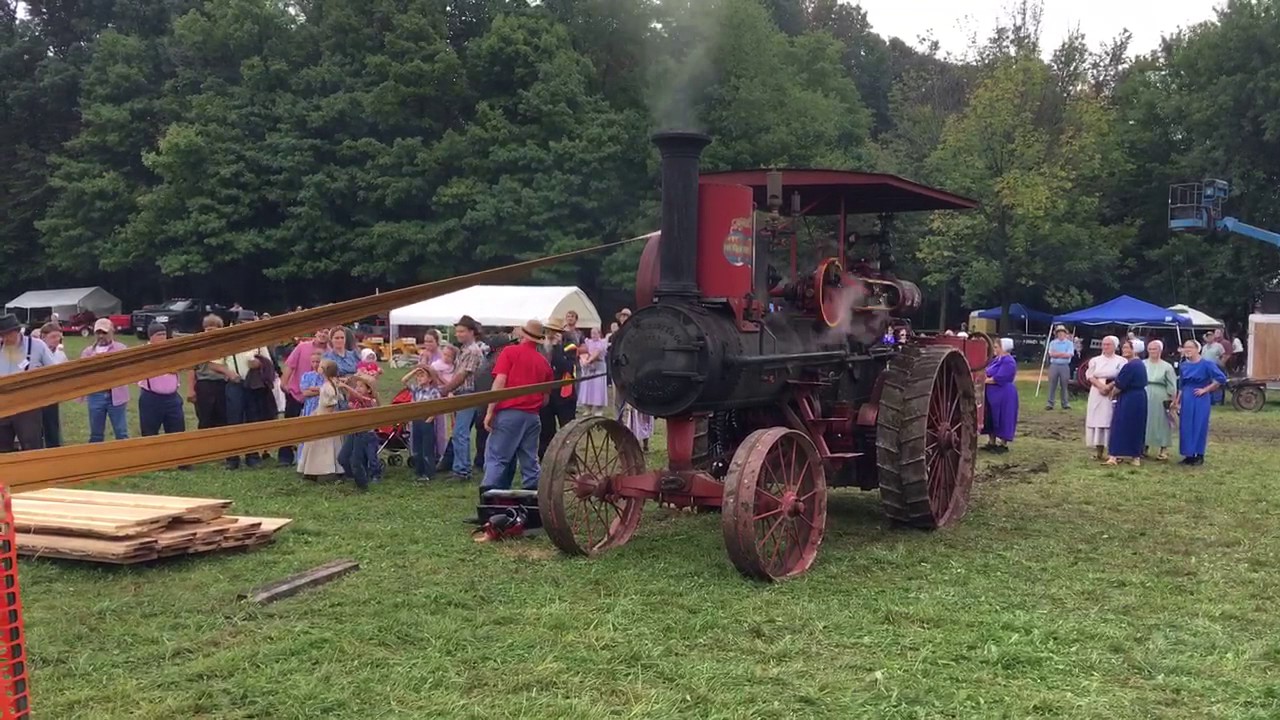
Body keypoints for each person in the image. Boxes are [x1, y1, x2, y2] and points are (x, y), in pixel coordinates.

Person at [481, 319, 553, 494]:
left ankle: (489, 500)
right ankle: (535, 500)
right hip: (532, 417)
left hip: (509, 413)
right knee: (530, 460)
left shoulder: (510, 352)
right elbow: (545, 400)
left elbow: (500, 382)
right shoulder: (544, 363)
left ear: (522, 334)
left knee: (497, 457)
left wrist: (490, 411)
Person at [0, 312, 55, 452]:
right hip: (2, 405)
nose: (5, 338)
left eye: (8, 334)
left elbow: (54, 370)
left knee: (31, 445)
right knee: (2, 448)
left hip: (28, 405)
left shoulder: (37, 346)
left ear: (18, 331)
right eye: (2, 335)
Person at [279, 327, 331, 465]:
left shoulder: (330, 352)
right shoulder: (302, 347)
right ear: (316, 332)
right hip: (296, 392)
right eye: (321, 331)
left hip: (317, 398)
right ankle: (285, 455)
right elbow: (290, 365)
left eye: (327, 332)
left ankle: (312, 457)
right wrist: (284, 383)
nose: (323, 335)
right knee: (289, 424)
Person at [441, 315, 483, 481]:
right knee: (459, 432)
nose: (458, 334)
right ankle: (458, 466)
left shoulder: (472, 351)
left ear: (471, 332)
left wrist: (445, 389)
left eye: (462, 331)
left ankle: (462, 471)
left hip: (469, 394)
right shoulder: (464, 350)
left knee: (460, 433)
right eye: (457, 331)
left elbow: (462, 375)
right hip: (463, 394)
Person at [1174, 339, 1227, 466]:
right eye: (1185, 347)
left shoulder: (1206, 364)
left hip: (1200, 398)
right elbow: (1182, 384)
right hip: (1187, 397)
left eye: (1190, 347)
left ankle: (1199, 454)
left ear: (1197, 349)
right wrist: (1177, 401)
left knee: (1199, 424)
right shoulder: (1184, 365)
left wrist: (1206, 389)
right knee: (1186, 425)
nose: (1187, 350)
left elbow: (1221, 378)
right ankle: (1188, 454)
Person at [220, 339, 271, 469]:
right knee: (234, 420)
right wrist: (228, 373)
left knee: (252, 419)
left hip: (253, 385)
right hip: (235, 384)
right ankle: (232, 458)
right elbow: (213, 364)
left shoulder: (259, 342)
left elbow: (268, 361)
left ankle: (252, 456)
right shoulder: (229, 343)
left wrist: (259, 363)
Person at [80, 318, 130, 444]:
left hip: (116, 395)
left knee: (121, 432)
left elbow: (126, 370)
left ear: (112, 332)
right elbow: (83, 375)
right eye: (98, 333)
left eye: (104, 333)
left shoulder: (122, 349)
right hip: (95, 395)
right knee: (96, 434)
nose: (101, 336)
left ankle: (125, 460)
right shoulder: (87, 352)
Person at [137, 322, 188, 440]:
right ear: (151, 337)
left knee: (177, 432)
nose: (162, 337)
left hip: (172, 398)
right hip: (151, 398)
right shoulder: (144, 352)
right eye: (159, 334)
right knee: (150, 433)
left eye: (164, 334)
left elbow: (181, 366)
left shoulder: (172, 351)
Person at [296, 359, 343, 481]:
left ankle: (323, 470)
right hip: (320, 413)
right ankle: (312, 470)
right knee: (314, 444)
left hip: (325, 418)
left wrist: (323, 417)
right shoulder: (328, 385)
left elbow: (330, 405)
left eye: (321, 366)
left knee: (323, 444)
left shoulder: (328, 387)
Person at [539, 318, 579, 458]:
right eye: (548, 331)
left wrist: (557, 347)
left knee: (567, 428)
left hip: (564, 395)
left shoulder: (570, 345)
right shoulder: (541, 347)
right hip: (546, 394)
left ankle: (569, 459)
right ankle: (545, 459)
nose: (550, 334)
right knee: (546, 429)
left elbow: (566, 366)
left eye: (554, 331)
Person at [1105, 341, 1148, 466]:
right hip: (1140, 397)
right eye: (1123, 347)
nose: (1124, 349)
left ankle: (1114, 456)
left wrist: (1112, 394)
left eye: (1127, 347)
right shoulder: (1139, 364)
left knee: (1120, 424)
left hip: (1129, 397)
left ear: (1134, 349)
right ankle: (1135, 456)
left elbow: (1120, 384)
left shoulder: (1131, 365)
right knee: (1137, 426)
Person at [1084, 335, 1126, 460]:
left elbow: (1122, 376)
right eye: (1104, 344)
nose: (1106, 347)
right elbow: (1090, 375)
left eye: (1108, 344)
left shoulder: (1121, 361)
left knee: (1110, 419)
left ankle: (1113, 452)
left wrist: (1109, 387)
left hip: (1113, 390)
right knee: (1097, 419)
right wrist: (1101, 386)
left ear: (1115, 346)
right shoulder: (1095, 360)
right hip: (1097, 391)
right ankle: (1099, 451)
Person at [338, 373, 381, 490]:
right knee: (343, 458)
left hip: (366, 434)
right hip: (354, 432)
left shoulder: (371, 401)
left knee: (367, 458)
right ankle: (355, 476)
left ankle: (368, 480)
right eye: (357, 386)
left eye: (361, 386)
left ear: (369, 389)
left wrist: (347, 387)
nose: (357, 389)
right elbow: (351, 400)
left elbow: (363, 400)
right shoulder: (355, 400)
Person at [403, 364, 443, 482]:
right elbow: (404, 381)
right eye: (418, 376)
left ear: (430, 379)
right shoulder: (416, 390)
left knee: (427, 448)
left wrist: (430, 418)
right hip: (416, 420)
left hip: (426, 421)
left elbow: (437, 406)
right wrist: (415, 370)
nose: (419, 378)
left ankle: (429, 473)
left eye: (422, 376)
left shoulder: (434, 391)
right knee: (417, 447)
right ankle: (419, 471)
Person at [1143, 340, 1177, 461]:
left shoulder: (1167, 366)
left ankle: (1163, 449)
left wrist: (1172, 399)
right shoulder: (1143, 364)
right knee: (1145, 420)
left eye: (1155, 349)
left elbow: (1172, 384)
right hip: (1145, 393)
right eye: (1150, 349)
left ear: (1160, 351)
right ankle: (1144, 446)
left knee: (1162, 421)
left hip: (1160, 395)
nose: (1152, 351)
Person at [983, 338, 1018, 452]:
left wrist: (984, 381)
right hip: (992, 393)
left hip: (1004, 393)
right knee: (991, 416)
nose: (994, 349)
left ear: (1003, 348)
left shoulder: (1008, 361)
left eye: (996, 347)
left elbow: (999, 377)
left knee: (1004, 416)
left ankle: (1003, 444)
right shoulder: (996, 360)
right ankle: (991, 442)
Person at [38, 322, 68, 448]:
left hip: (52, 395)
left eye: (58, 337)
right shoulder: (36, 351)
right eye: (53, 337)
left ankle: (54, 449)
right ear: (43, 337)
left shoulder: (60, 354)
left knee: (52, 425)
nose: (57, 340)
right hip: (36, 394)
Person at [578, 327, 609, 416]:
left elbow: (597, 352)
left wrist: (589, 360)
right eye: (592, 333)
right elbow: (583, 351)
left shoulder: (602, 343)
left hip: (599, 367)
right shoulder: (588, 342)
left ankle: (599, 409)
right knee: (587, 386)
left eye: (595, 333)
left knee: (598, 386)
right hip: (588, 368)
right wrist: (584, 360)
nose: (593, 335)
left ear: (599, 334)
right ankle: (588, 408)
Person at [1045, 325, 1074, 410]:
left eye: (1062, 333)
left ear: (1065, 334)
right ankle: (1050, 403)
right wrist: (1063, 354)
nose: (1061, 334)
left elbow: (1069, 354)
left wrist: (1057, 354)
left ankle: (1065, 403)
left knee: (1064, 385)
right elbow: (1051, 354)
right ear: (1057, 334)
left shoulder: (1069, 343)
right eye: (1059, 333)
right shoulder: (1053, 343)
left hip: (1064, 366)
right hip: (1054, 365)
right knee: (1052, 384)